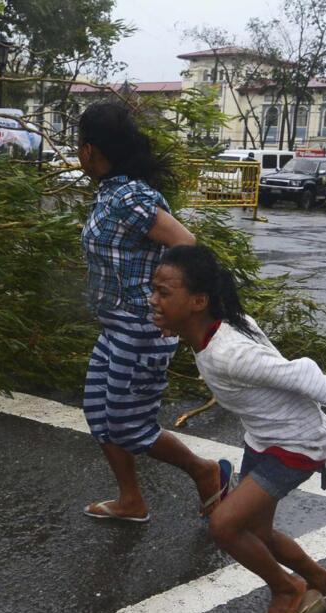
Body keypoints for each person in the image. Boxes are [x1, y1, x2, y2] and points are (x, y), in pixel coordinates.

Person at [149, 244, 326, 613]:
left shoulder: (230, 353)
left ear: (198, 302)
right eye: (154, 290)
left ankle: (288, 589)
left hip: (297, 445)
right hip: (264, 440)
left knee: (225, 525)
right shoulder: (216, 329)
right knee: (256, 533)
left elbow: (308, 377)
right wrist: (174, 327)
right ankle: (325, 583)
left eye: (163, 292)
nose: (153, 299)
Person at [75, 103, 231, 523]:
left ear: (90, 150)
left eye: (79, 144)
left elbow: (186, 243)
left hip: (141, 328)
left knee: (129, 426)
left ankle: (205, 472)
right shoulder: (112, 192)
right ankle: (131, 500)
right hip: (115, 326)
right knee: (99, 413)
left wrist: (171, 309)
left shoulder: (130, 197)